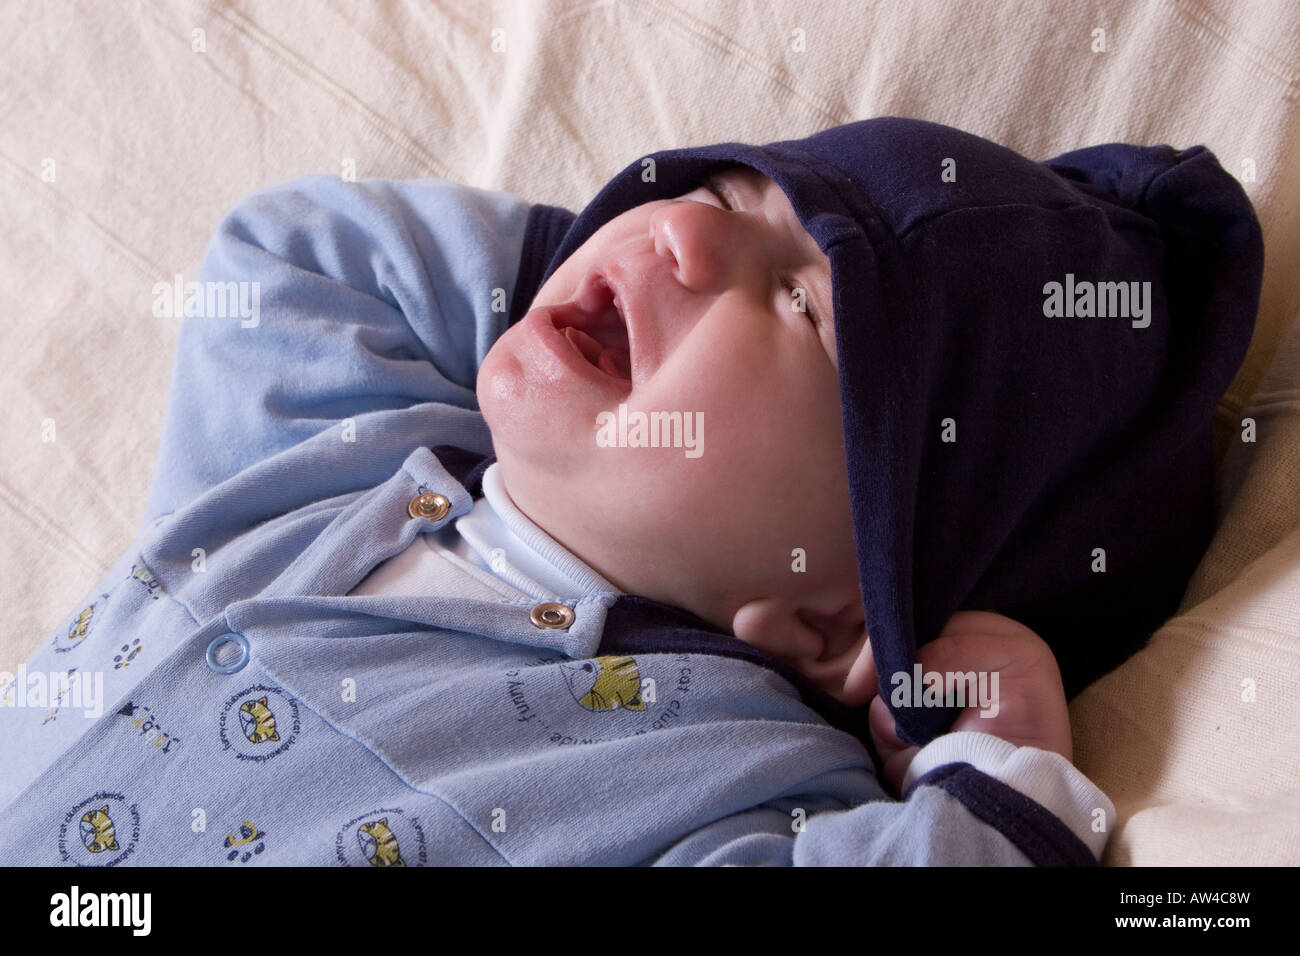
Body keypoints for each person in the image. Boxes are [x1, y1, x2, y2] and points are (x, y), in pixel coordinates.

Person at [0, 117, 1262, 865]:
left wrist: (1001, 762)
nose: (680, 232)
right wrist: (578, 290)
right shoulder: (341, 462)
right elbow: (293, 252)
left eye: (803, 306)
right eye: (718, 195)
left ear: (833, 618)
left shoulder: (724, 774)